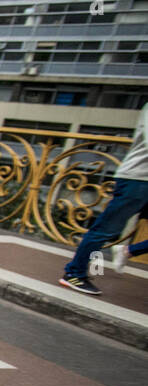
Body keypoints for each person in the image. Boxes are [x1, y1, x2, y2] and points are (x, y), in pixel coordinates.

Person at [60, 101, 148, 294]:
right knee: (106, 230)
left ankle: (130, 250)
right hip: (138, 179)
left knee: (107, 229)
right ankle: (75, 273)